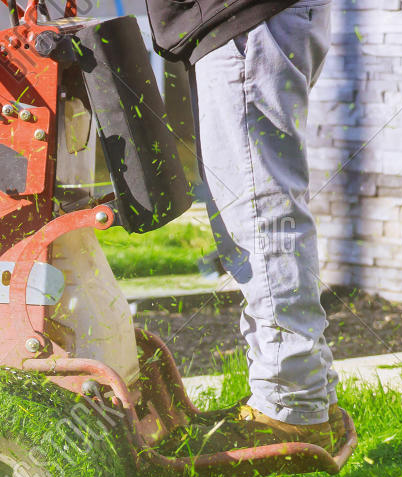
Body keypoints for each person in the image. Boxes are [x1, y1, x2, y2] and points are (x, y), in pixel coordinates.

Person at [147, 0, 344, 453]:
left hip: (242, 21)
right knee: (259, 210)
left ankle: (291, 405)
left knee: (259, 213)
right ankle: (309, 393)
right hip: (244, 21)